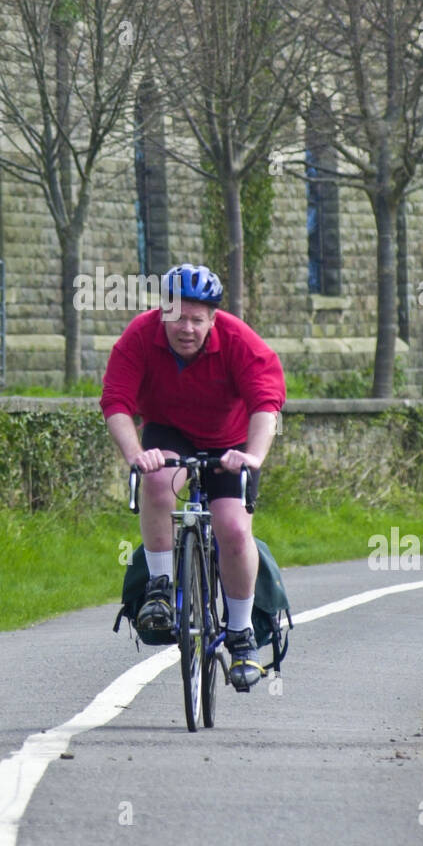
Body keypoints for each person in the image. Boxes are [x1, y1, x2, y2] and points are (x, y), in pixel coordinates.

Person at [100, 262, 285, 690]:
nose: (186, 328)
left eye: (197, 320)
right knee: (159, 482)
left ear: (213, 319)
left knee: (234, 528)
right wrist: (137, 455)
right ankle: (161, 588)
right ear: (161, 313)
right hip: (169, 432)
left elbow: (266, 405)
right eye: (177, 317)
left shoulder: (240, 341)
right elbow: (116, 402)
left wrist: (253, 457)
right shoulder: (138, 338)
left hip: (231, 443)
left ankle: (241, 635)